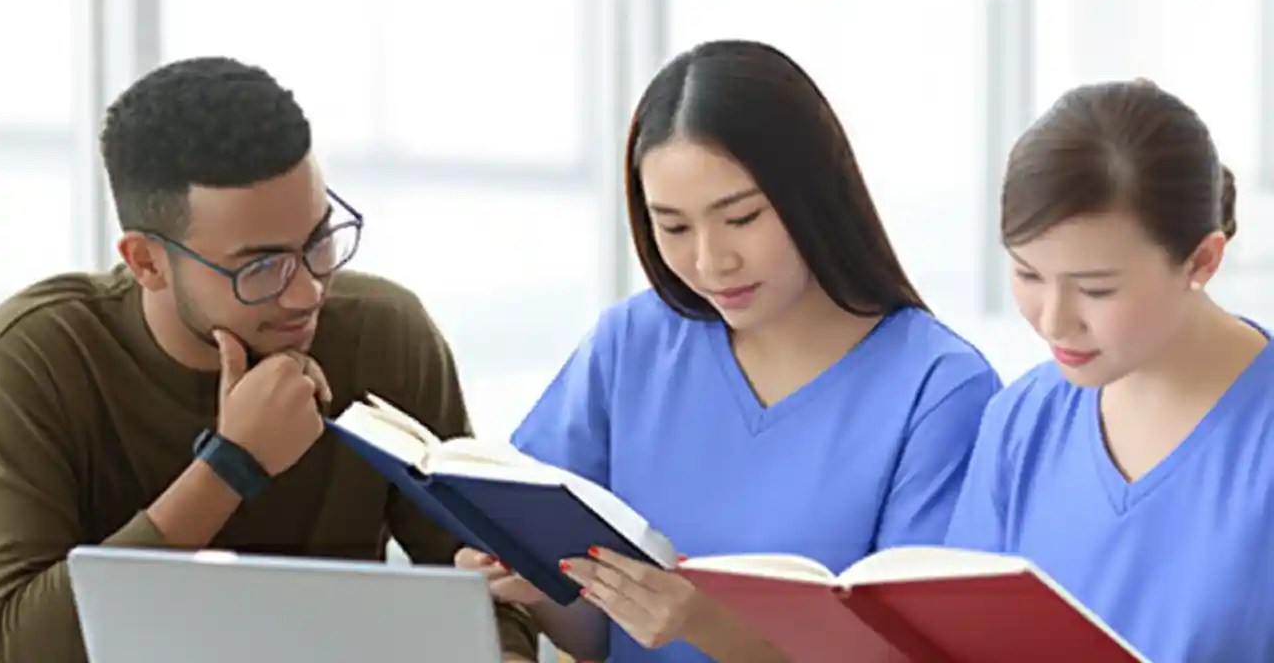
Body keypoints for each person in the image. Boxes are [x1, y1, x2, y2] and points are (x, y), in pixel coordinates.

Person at [457, 40, 1002, 662]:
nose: (712, 262)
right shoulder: (631, 344)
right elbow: (596, 640)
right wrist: (536, 590)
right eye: (674, 227)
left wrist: (705, 624)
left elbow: (919, 657)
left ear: (814, 195)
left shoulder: (939, 391)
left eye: (741, 218)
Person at [0, 57, 537, 663]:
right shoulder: (38, 358)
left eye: (319, 241)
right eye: (261, 267)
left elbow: (484, 577)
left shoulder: (385, 334)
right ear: (146, 261)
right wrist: (231, 467)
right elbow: (16, 643)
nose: (307, 293)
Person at [943, 79, 1274, 662]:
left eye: (1095, 289)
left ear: (1202, 260)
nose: (1053, 321)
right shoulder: (1021, 422)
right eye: (1027, 275)